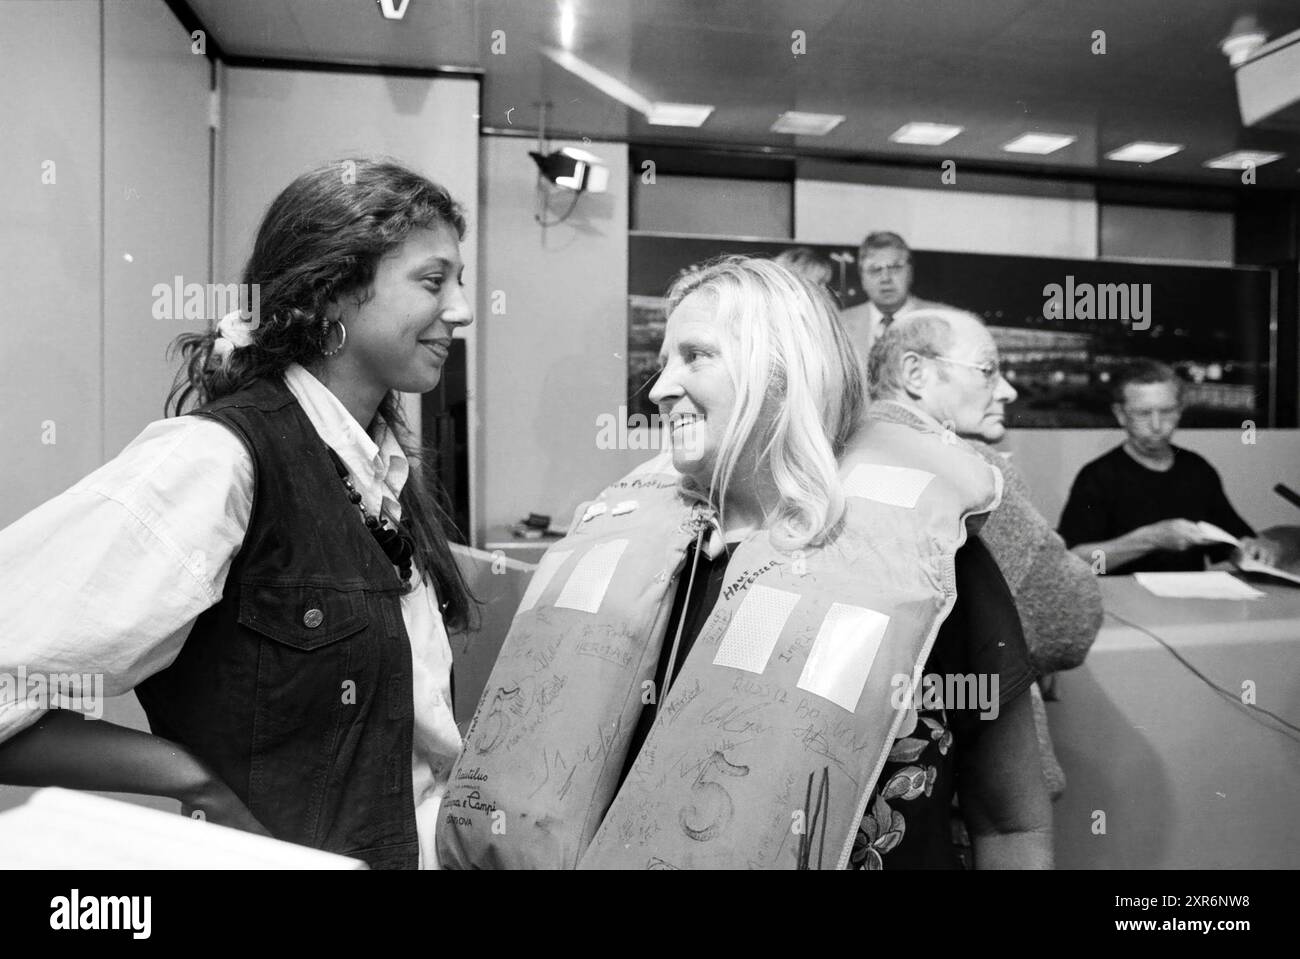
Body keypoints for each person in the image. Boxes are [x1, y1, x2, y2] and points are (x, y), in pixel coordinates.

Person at [439, 257, 1051, 870]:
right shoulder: (652, 568)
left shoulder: (934, 563)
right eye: (662, 363)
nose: (659, 389)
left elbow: (1010, 823)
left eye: (696, 356)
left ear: (785, 370)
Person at [0, 158, 476, 869]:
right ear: (335, 291)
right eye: (434, 281)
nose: (463, 309)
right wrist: (195, 785)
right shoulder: (218, 461)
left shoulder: (375, 470)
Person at [866, 307, 1103, 800]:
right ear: (916, 373)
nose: (1009, 390)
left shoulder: (839, 449)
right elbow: (1069, 621)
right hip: (971, 780)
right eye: (988, 369)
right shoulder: (972, 470)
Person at [1059, 359, 1279, 574]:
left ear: (1180, 411)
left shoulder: (1197, 470)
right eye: (1144, 413)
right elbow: (1074, 564)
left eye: (1166, 412)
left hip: (1189, 604)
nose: (1156, 426)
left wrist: (1256, 549)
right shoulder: (1097, 477)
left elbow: (1232, 543)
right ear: (1120, 415)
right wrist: (1150, 539)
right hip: (1122, 606)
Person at [839, 231, 946, 358]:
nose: (885, 278)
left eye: (895, 268)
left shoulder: (942, 320)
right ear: (862, 278)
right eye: (875, 270)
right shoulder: (840, 325)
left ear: (910, 272)